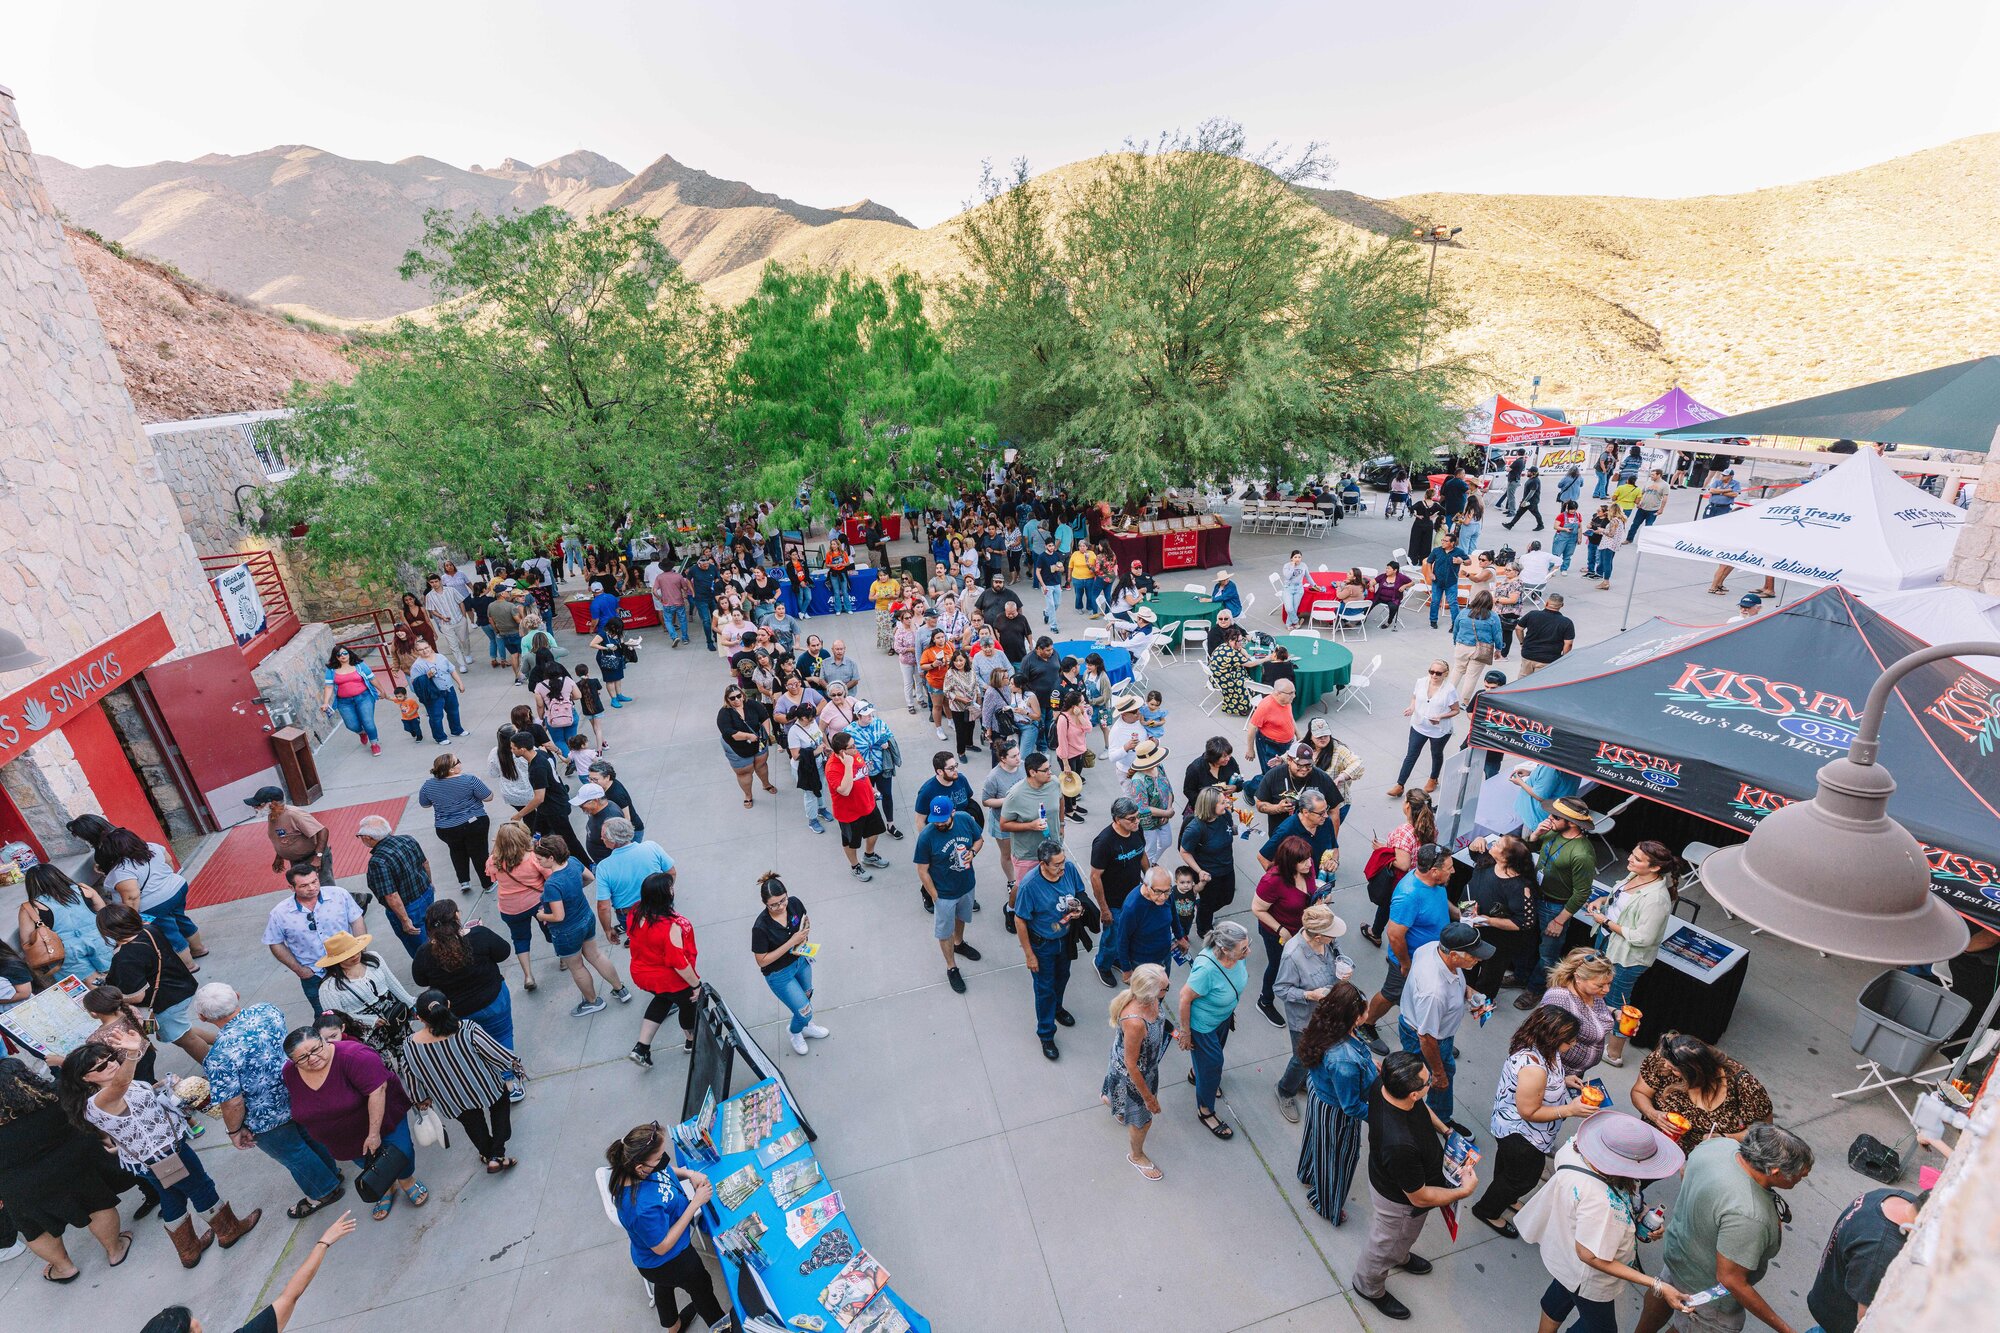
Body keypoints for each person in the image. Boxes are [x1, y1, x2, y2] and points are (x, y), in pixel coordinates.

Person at [62, 1040, 262, 1266]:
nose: (109, 1065)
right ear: (85, 1078)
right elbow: (121, 1085)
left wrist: (164, 1086)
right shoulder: (101, 1100)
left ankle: (189, 1250)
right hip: (167, 1155)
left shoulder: (112, 1091)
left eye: (109, 1059)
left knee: (172, 1197)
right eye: (99, 1067)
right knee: (201, 1188)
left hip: (149, 1160)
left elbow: (135, 1096)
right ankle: (230, 1230)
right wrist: (131, 1053)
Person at [1514, 1112, 1693, 1333]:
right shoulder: (1601, 1204)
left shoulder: (1573, 1148)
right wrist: (1656, 1284)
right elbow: (1589, 1255)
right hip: (1588, 1275)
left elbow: (1626, 1196)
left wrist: (1640, 1212)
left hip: (1565, 1251)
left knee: (1561, 1292)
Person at [1637, 1126, 1815, 1333]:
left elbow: (1686, 1173)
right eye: (1799, 1176)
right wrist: (1785, 1329)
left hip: (1678, 1253)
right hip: (1706, 1290)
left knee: (1662, 1293)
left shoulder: (1718, 1146)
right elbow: (1731, 1280)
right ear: (1775, 1172)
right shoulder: (1748, 1214)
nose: (1800, 1180)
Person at [195, 983, 347, 1220]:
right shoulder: (267, 1011)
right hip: (298, 1091)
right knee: (309, 1138)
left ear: (202, 1017)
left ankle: (323, 1192)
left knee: (294, 1154)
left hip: (265, 1117)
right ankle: (332, 1174)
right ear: (237, 995)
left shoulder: (218, 1057)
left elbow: (232, 1103)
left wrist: (234, 1130)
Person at [1352, 1050, 1479, 1321]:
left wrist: (1446, 1131)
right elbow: (1419, 1198)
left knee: (1403, 1236)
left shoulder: (1386, 1086)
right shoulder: (1398, 1143)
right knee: (1384, 1243)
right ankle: (1368, 1286)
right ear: (1412, 1093)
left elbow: (1422, 1107)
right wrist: (1463, 1191)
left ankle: (1400, 1255)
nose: (1430, 1081)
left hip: (1404, 1182)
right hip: (1398, 1201)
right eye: (1426, 1081)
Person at [0, 1056, 134, 1283]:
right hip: (73, 1165)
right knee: (97, 1204)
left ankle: (63, 1267)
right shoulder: (56, 1096)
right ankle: (115, 1249)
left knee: (35, 1228)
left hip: (21, 1187)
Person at [280, 1026, 426, 1222]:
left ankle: (407, 1181)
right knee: (367, 1164)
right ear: (293, 1061)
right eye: (303, 1058)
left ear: (324, 1041)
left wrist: (373, 1134)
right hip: (343, 1138)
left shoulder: (354, 1056)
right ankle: (386, 1188)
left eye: (315, 1049)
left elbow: (377, 1090)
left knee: (402, 1152)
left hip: (381, 1119)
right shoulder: (290, 1072)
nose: (312, 1058)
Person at [1469, 1004, 1592, 1236]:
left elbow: (1545, 1082)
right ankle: (1487, 1209)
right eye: (1570, 1040)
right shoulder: (1534, 1069)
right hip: (1521, 1134)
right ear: (1552, 1037)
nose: (1573, 1044)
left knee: (1508, 1168)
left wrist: (1565, 1080)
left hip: (1516, 1129)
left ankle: (1507, 1196)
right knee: (1524, 1178)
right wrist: (1569, 1110)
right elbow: (1529, 1112)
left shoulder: (1543, 1049)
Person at [606, 1121, 728, 1331]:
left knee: (664, 1286)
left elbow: (664, 1172)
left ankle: (674, 1326)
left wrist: (689, 1174)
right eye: (658, 1158)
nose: (663, 1160)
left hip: (653, 1261)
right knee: (702, 1290)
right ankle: (722, 1329)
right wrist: (695, 1203)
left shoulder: (638, 1168)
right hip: (669, 1259)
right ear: (640, 1167)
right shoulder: (639, 1209)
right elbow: (661, 1247)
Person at [401, 988, 525, 1175]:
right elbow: (494, 1053)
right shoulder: (467, 1029)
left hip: (451, 1098)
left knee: (473, 1125)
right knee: (499, 1110)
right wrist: (514, 1065)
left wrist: (421, 1099)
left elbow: (410, 1074)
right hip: (485, 1086)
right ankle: (497, 1154)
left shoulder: (409, 1045)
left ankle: (487, 1154)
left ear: (419, 1017)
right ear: (449, 1005)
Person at [410, 899, 522, 1103]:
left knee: (471, 1045)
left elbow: (420, 980)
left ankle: (487, 1079)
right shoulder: (479, 936)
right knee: (502, 1035)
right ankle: (509, 1082)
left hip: (457, 1012)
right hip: (493, 1002)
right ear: (456, 919)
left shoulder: (424, 954)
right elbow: (503, 952)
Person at [1585, 840, 1684, 1065]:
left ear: (1655, 868)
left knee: (1619, 1004)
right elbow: (1619, 899)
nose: (1629, 859)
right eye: (1632, 853)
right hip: (1607, 942)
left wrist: (1606, 921)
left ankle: (1614, 1054)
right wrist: (1602, 901)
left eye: (1637, 859)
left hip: (1626, 958)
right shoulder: (1633, 876)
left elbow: (1643, 938)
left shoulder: (1657, 899)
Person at [1293, 979, 1375, 1225]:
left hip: (1321, 1096)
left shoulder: (1325, 1027)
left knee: (1317, 1140)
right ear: (1354, 1018)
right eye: (1365, 1010)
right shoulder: (1345, 1061)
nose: (1368, 1013)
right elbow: (1351, 1106)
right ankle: (1326, 1203)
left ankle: (1308, 1171)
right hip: (1337, 1114)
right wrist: (1383, 1115)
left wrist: (1370, 1067)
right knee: (1338, 1158)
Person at [1398, 921, 1493, 1128]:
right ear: (1453, 955)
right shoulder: (1434, 993)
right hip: (1429, 1038)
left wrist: (1466, 991)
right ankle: (1439, 1120)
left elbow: (1454, 978)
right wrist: (1438, 1073)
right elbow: (1426, 1038)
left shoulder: (1431, 948)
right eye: (1473, 955)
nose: (1478, 959)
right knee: (1440, 1077)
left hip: (1426, 1027)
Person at [96, 903, 213, 1062]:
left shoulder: (125, 957)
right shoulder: (149, 930)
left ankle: (216, 1068)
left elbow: (137, 996)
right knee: (183, 1030)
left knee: (184, 1039)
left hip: (166, 1001)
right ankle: (224, 1040)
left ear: (108, 931)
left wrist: (114, 996)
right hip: (180, 985)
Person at [1807, 1186, 1925, 1333]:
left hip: (1833, 1292)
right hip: (1841, 1320)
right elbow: (1865, 1321)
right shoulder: (1881, 1253)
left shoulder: (1898, 1197)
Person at [1272, 903, 1353, 1117]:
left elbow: (1338, 957)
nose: (1335, 937)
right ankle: (1285, 1090)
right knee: (1302, 1057)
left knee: (1317, 1053)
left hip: (1328, 1011)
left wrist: (1342, 971)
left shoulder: (1329, 941)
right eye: (1331, 934)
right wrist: (1310, 995)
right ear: (1318, 936)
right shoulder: (1293, 955)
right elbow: (1280, 989)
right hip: (1305, 1019)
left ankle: (1300, 1082)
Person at [1631, 1033, 1775, 1151]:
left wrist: (1725, 1138)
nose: (1666, 1067)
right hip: (1657, 1140)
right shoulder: (1666, 1058)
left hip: (1710, 1154)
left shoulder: (1744, 1085)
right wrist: (1653, 1114)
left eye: (1675, 1070)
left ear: (1696, 1074)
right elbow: (1640, 1092)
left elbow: (1763, 1131)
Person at [1015, 838, 1089, 1060]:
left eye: (1063, 862)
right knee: (1044, 988)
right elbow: (1020, 920)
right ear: (1042, 863)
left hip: (1064, 939)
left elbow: (1079, 892)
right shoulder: (1030, 885)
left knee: (1062, 977)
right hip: (1042, 944)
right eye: (1056, 865)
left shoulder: (1069, 870)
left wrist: (1079, 908)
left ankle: (1057, 1009)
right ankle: (1046, 1034)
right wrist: (1029, 955)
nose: (1062, 868)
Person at [1177, 921, 1251, 1140]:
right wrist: (1186, 1033)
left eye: (1248, 946)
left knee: (1209, 1061)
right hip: (1202, 1027)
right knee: (1213, 1064)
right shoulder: (1207, 969)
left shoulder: (1236, 958)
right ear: (1225, 949)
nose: (1248, 952)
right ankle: (1206, 1110)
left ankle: (1195, 1075)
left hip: (1222, 1019)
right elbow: (1184, 998)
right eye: (1243, 949)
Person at [1101, 962, 1174, 1181]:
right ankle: (1136, 1156)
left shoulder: (1151, 1000)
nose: (1167, 990)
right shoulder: (1134, 1022)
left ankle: (1113, 1102)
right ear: (1150, 992)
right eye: (1165, 988)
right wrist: (1148, 1098)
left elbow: (1159, 1022)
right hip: (1133, 1077)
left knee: (1126, 1108)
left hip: (1145, 1068)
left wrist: (1174, 1033)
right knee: (1144, 1121)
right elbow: (1131, 1065)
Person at [98, 825, 205, 970]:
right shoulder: (152, 847)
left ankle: (189, 966)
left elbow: (132, 897)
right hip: (177, 888)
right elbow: (168, 862)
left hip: (155, 905)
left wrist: (132, 919)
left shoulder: (122, 870)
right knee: (181, 920)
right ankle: (199, 949)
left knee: (170, 933)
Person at [625, 872, 702, 1069]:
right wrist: (696, 985)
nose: (673, 890)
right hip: (669, 979)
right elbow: (679, 963)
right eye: (670, 888)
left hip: (642, 974)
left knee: (663, 999)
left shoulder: (635, 912)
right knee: (688, 1005)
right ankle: (691, 1041)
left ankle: (641, 1048)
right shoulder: (670, 927)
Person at [748, 873, 829, 1054]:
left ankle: (805, 1026)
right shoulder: (761, 927)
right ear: (765, 904)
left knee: (807, 995)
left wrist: (804, 935)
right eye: (774, 904)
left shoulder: (795, 903)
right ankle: (795, 1032)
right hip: (779, 974)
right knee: (804, 1011)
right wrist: (791, 942)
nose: (780, 906)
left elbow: (804, 922)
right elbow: (762, 961)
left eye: (782, 900)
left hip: (801, 961)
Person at [915, 796, 985, 993]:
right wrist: (935, 896)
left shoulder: (964, 819)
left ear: (953, 812)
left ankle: (959, 943)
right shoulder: (927, 836)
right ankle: (951, 967)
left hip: (967, 885)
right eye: (936, 819)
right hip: (944, 893)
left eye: (943, 819)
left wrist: (973, 852)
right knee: (945, 931)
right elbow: (922, 870)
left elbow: (979, 840)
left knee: (962, 918)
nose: (939, 823)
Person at [1463, 833, 1539, 1001]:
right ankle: (1462, 991)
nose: (1493, 845)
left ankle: (1481, 1004)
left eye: (1497, 845)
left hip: (1497, 940)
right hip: (1470, 924)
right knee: (1466, 964)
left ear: (1506, 858)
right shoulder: (1488, 860)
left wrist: (1487, 920)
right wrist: (1475, 842)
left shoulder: (1519, 887)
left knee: (1490, 974)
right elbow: (1473, 853)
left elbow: (1524, 922)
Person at [19, 863, 113, 984]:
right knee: (113, 975)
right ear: (59, 875)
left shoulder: (31, 907)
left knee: (94, 985)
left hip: (67, 953)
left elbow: (26, 941)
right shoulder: (84, 890)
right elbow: (104, 912)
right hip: (100, 941)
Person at [416, 753, 495, 897]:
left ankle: (464, 881)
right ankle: (487, 883)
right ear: (451, 769)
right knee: (479, 853)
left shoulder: (428, 785)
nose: (460, 763)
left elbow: (424, 804)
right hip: (474, 823)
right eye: (457, 761)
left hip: (446, 828)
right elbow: (488, 797)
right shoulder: (470, 780)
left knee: (456, 851)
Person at [1087, 798, 1149, 981]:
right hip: (1113, 901)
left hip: (1133, 896)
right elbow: (1095, 876)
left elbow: (1141, 853)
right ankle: (1102, 964)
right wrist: (1104, 909)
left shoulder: (1137, 830)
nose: (1136, 821)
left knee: (1127, 935)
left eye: (1137, 817)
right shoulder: (1104, 842)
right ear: (1117, 819)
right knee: (1112, 937)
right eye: (1131, 819)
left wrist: (1150, 878)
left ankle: (1115, 958)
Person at [1538, 948, 1617, 1080]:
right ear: (1578, 978)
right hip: (1555, 1074)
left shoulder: (1590, 992)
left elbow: (1588, 1011)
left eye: (1609, 983)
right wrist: (1559, 1079)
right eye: (1600, 985)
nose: (1607, 990)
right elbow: (1544, 1045)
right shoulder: (1559, 1000)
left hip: (1575, 1073)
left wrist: (1614, 1011)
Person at [1388, 661, 1461, 797]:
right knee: (1411, 755)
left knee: (1436, 754)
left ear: (1445, 674)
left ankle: (1433, 779)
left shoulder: (1449, 689)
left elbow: (1456, 710)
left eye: (1438, 673)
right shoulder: (1421, 682)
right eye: (1431, 671)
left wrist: (1441, 717)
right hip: (1419, 724)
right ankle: (1400, 784)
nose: (1434, 675)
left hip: (1439, 730)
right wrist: (1411, 707)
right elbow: (1415, 696)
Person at [250, 787, 335, 884]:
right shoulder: (273, 815)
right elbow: (283, 837)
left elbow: (323, 831)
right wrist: (279, 856)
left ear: (272, 804)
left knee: (325, 889)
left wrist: (318, 857)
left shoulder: (294, 814)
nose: (255, 807)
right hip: (297, 861)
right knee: (306, 891)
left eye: (259, 805)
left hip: (313, 859)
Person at [319, 644, 383, 755]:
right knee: (351, 725)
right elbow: (329, 687)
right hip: (344, 702)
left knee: (368, 722)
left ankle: (374, 744)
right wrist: (325, 702)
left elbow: (372, 678)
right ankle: (362, 733)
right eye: (339, 654)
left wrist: (382, 691)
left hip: (364, 697)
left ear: (349, 653)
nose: (342, 656)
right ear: (336, 657)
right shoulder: (331, 670)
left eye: (345, 653)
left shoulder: (359, 665)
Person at [1449, 590, 1503, 698]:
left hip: (1462, 646)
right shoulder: (1492, 616)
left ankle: (1446, 696)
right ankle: (1464, 702)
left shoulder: (1464, 612)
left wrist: (1455, 641)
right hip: (1482, 649)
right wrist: (1498, 649)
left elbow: (1456, 629)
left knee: (1457, 671)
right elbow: (1497, 633)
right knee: (1471, 676)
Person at [1517, 593, 1576, 677]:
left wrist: (1522, 643)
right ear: (1561, 605)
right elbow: (1568, 644)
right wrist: (1564, 658)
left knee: (1522, 682)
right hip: (1548, 659)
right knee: (1540, 683)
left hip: (1528, 655)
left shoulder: (1532, 614)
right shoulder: (1566, 622)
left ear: (1546, 603)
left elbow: (1518, 628)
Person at [1246, 676, 1299, 771]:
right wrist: (1250, 749)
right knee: (1270, 774)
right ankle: (1248, 785)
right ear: (1278, 693)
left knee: (1283, 770)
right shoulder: (1266, 706)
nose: (1294, 695)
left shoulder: (1286, 701)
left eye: (1294, 692)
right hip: (1270, 746)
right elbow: (1252, 727)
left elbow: (1290, 717)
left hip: (1286, 744)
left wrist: (1298, 735)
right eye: (1290, 693)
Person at [1626, 469, 1670, 543]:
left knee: (1648, 527)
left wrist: (1661, 509)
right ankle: (1629, 539)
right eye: (1651, 474)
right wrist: (1638, 502)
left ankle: (1644, 542)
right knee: (1635, 525)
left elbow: (1665, 498)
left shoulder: (1665, 485)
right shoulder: (1648, 482)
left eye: (1653, 475)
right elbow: (1641, 493)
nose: (1651, 476)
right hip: (1642, 508)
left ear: (1659, 475)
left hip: (1653, 510)